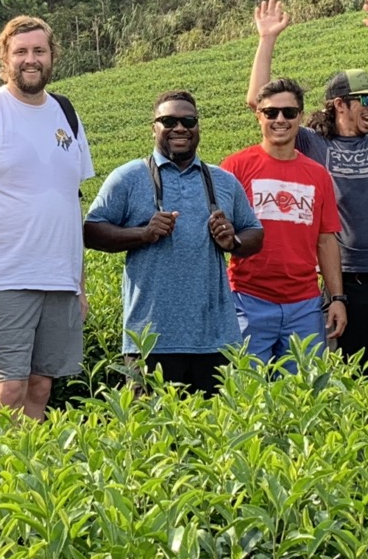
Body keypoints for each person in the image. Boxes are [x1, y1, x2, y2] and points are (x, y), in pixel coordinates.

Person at [247, 0, 368, 372]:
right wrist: (266, 39)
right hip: (345, 281)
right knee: (359, 374)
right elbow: (261, 102)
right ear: (339, 104)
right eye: (364, 99)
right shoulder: (312, 144)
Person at [0, 17, 93, 419]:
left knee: (40, 388)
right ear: (4, 59)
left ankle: (30, 478)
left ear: (52, 56)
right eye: (20, 52)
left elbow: (70, 202)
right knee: (8, 390)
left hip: (58, 280)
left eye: (39, 51)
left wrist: (79, 283)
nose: (30, 59)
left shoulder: (66, 113)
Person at [84, 91, 263, 396]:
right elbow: (91, 231)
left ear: (198, 127)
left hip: (216, 339)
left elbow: (254, 233)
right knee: (151, 436)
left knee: (215, 434)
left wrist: (231, 240)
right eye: (168, 121)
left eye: (188, 120)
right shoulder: (127, 177)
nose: (180, 127)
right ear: (153, 127)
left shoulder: (223, 181)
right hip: (150, 339)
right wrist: (142, 233)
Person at [222, 78, 346, 367]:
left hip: (304, 305)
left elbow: (326, 240)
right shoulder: (235, 167)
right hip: (247, 300)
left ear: (300, 117)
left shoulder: (317, 175)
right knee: (245, 396)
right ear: (259, 116)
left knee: (304, 395)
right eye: (271, 113)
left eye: (289, 113)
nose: (280, 119)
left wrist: (337, 298)